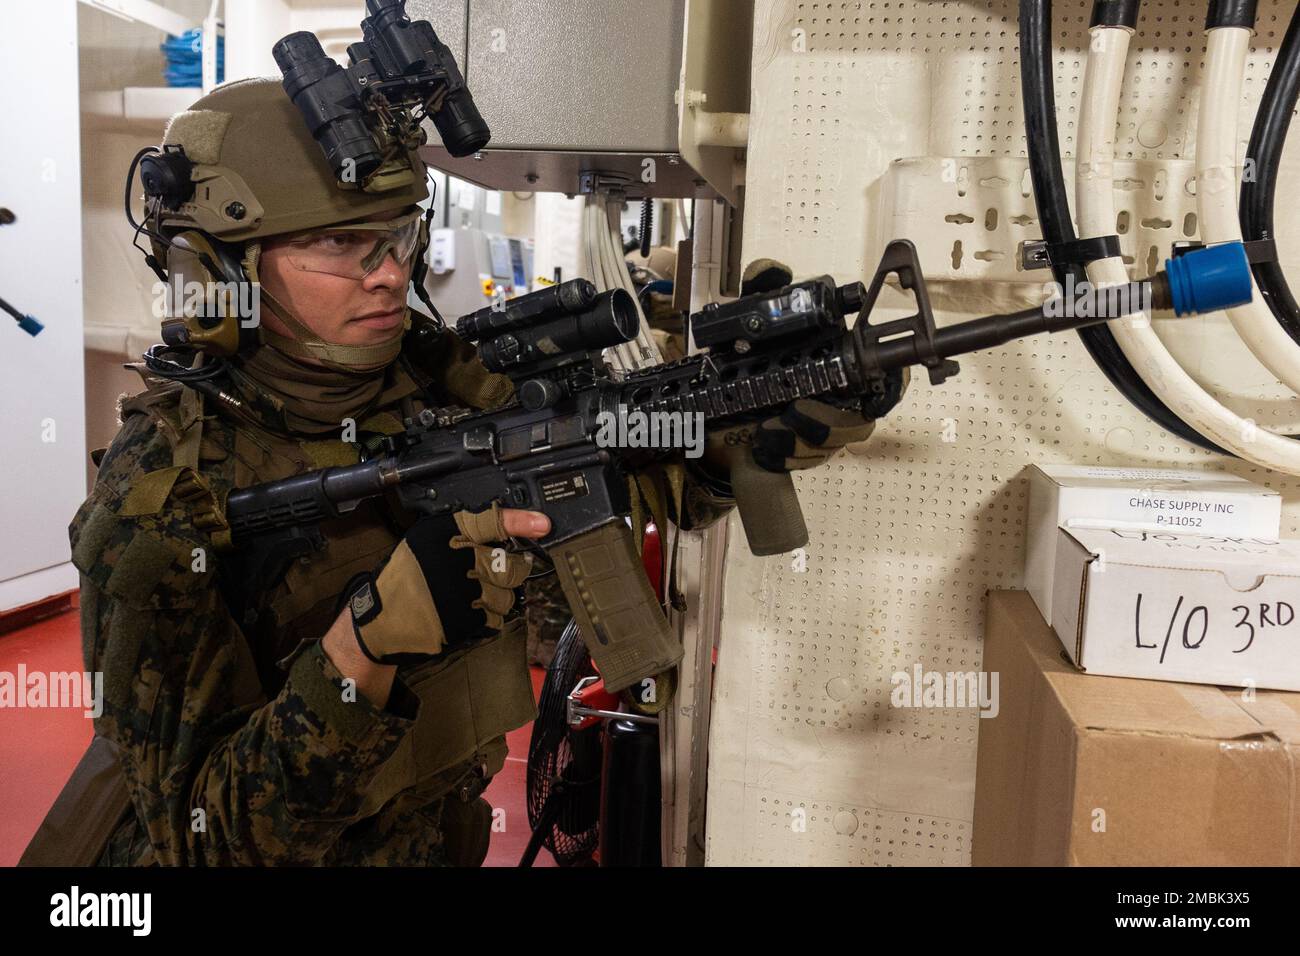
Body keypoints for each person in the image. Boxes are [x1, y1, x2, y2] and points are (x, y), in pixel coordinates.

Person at [26, 75, 898, 867]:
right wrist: (366, 643)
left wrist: (755, 427)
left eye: (400, 237)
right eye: (342, 244)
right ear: (217, 272)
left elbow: (604, 491)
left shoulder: (436, 378)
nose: (389, 276)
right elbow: (204, 839)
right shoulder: (160, 500)